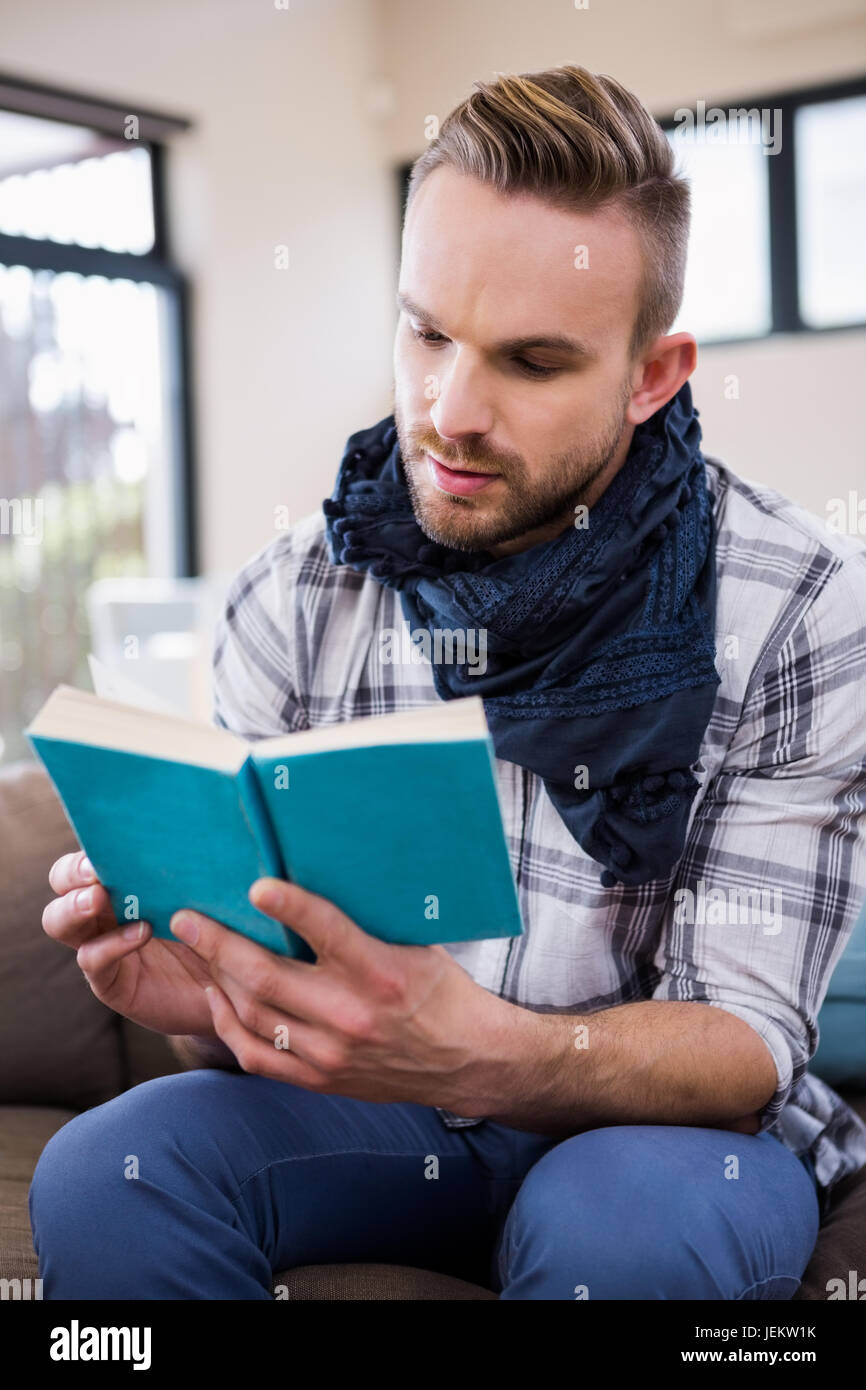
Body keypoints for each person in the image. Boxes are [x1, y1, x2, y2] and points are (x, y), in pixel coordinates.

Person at [30, 64, 866, 1300]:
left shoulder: (796, 602)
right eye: (425, 333)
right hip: (381, 1115)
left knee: (622, 1241)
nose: (448, 411)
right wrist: (204, 992)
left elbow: (743, 1038)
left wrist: (488, 1055)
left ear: (652, 372)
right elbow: (263, 991)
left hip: (669, 1144)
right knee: (105, 1171)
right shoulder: (292, 591)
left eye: (530, 362)